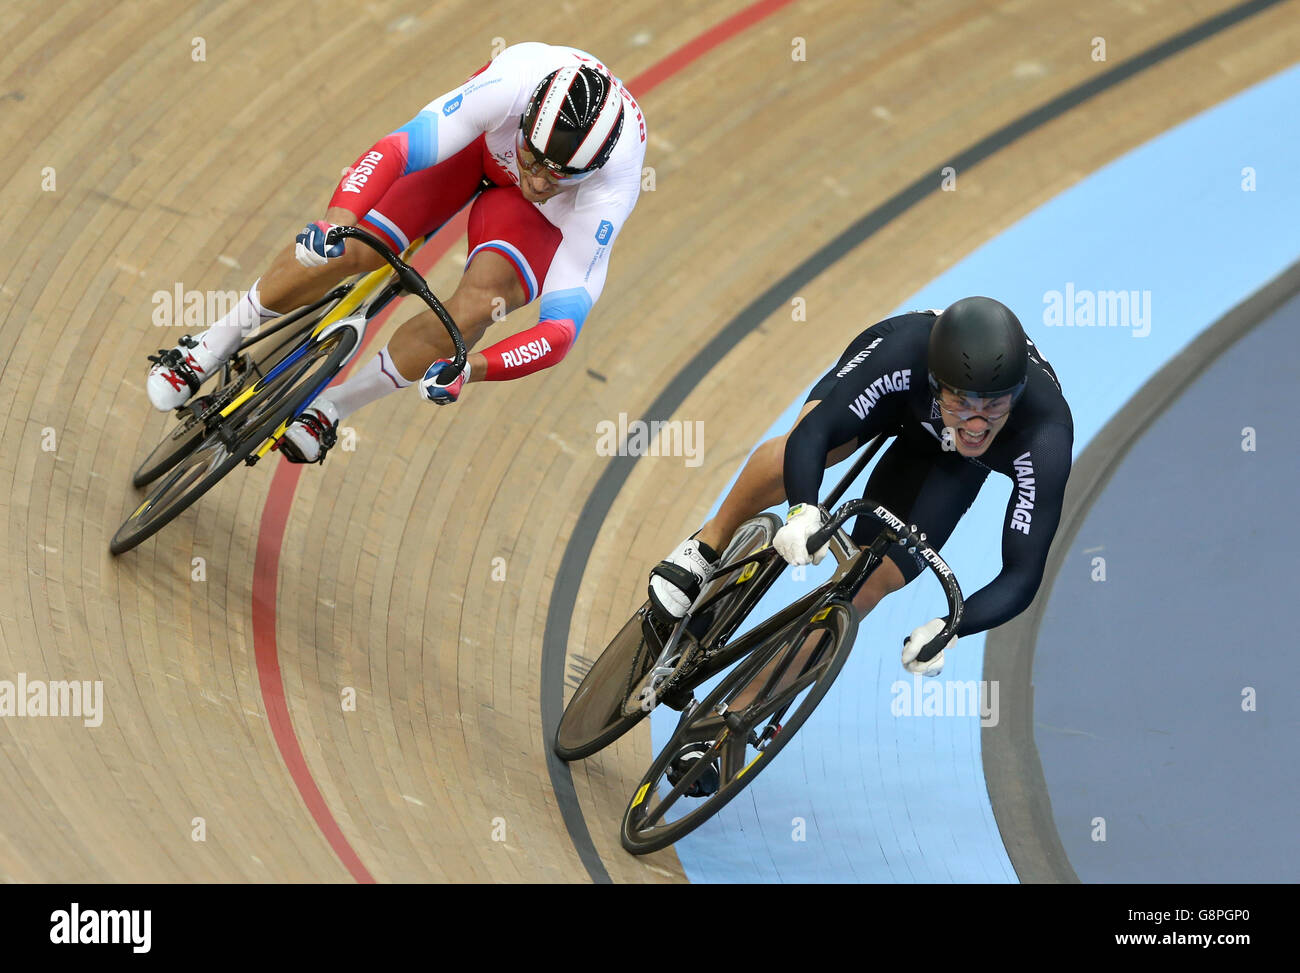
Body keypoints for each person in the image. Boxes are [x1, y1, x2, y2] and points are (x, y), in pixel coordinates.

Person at [651, 296, 1073, 795]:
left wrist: (951, 626)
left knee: (869, 584)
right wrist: (804, 510)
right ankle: (707, 546)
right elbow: (817, 429)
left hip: (948, 464)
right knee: (808, 450)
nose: (978, 423)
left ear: (1018, 393)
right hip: (896, 393)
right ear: (938, 385)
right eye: (962, 403)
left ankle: (728, 722)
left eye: (994, 406)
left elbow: (1022, 574)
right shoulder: (905, 354)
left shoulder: (1044, 432)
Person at [145, 42, 646, 462]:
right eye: (533, 160)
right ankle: (212, 342)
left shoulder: (611, 186)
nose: (537, 180)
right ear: (528, 118)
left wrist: (470, 369)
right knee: (352, 249)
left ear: (593, 168)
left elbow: (558, 333)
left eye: (557, 175)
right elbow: (398, 149)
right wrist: (336, 221)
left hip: (539, 219)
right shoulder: (510, 84)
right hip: (476, 149)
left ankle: (335, 406)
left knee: (474, 310)